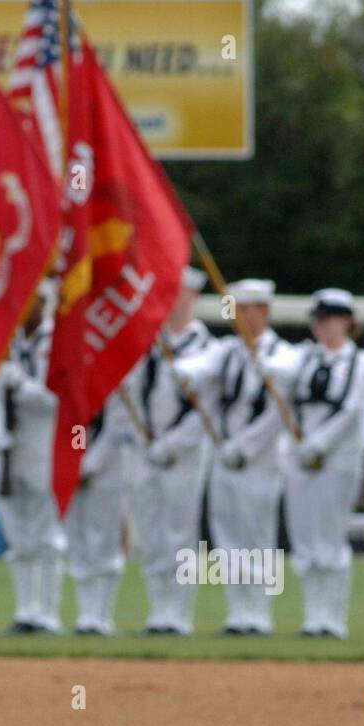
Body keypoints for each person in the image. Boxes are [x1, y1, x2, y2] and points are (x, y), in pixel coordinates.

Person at [179, 279, 298, 635]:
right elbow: (199, 368)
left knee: (257, 537)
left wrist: (245, 446)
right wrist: (181, 372)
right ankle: (236, 612)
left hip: (259, 460)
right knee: (226, 536)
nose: (242, 317)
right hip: (223, 456)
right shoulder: (227, 351)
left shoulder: (283, 355)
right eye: (236, 310)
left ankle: (260, 613)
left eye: (248, 309)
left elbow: (281, 409)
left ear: (264, 311)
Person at [122, 266, 213, 635]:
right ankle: (158, 609)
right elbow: (128, 393)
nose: (173, 301)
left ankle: (180, 612)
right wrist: (143, 440)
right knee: (151, 532)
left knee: (180, 534)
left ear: (192, 298)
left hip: (184, 455)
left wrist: (171, 444)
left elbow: (207, 410)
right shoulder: (146, 343)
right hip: (145, 451)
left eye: (180, 294)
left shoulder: (208, 348)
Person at [277, 289, 364, 638]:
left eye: (329, 318)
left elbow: (351, 409)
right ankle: (312, 615)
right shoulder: (303, 357)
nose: (322, 325)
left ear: (346, 321)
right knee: (304, 536)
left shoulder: (361, 362)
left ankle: (334, 617)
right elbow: (279, 374)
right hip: (301, 456)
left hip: (339, 456)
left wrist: (319, 444)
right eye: (317, 319)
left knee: (330, 535)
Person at [0, 281, 65, 634]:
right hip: (9, 455)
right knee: (18, 537)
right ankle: (25, 610)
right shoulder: (3, 345)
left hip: (44, 450)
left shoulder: (59, 344)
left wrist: (23, 387)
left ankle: (48, 613)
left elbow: (61, 401)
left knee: (48, 537)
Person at [62, 397, 131, 635]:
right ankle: (85, 614)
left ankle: (102, 615)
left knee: (104, 541)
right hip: (76, 471)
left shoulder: (116, 383)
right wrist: (77, 458)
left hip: (109, 472)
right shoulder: (79, 383)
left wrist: (90, 463)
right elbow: (78, 424)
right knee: (78, 540)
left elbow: (116, 427)